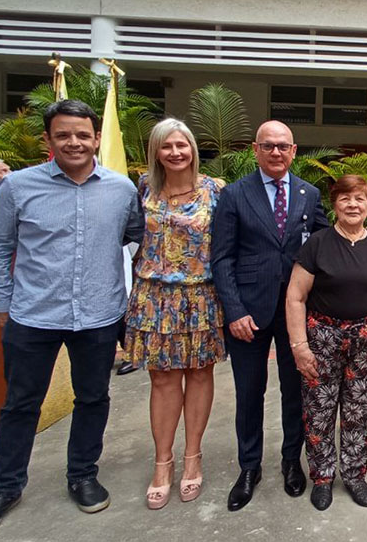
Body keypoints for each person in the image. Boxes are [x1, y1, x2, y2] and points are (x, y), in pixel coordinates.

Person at [0, 99, 144, 540]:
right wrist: (2, 303)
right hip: (33, 315)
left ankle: (82, 475)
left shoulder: (121, 189)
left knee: (93, 399)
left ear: (96, 138)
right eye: (63, 135)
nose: (74, 142)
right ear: (48, 140)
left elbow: (137, 239)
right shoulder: (18, 188)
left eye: (83, 134)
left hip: (100, 315)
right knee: (21, 405)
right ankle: (4, 487)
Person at [211, 120, 329, 512]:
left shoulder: (308, 194)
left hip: (296, 313)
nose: (276, 152)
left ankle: (291, 462)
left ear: (294, 151)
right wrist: (234, 310)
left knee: (295, 392)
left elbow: (327, 240)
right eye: (268, 146)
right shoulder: (234, 194)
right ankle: (249, 468)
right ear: (255, 150)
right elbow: (222, 257)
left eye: (283, 146)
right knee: (249, 393)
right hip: (248, 313)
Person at [121, 119, 226, 510]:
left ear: (193, 149)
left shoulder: (215, 190)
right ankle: (162, 462)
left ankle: (192, 457)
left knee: (200, 375)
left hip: (201, 297)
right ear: (156, 152)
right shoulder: (143, 189)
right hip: (155, 298)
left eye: (182, 145)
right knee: (163, 381)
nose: (176, 152)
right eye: (167, 146)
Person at [286, 175, 367, 511]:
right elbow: (295, 296)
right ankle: (322, 477)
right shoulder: (317, 245)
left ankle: (353, 474)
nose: (353, 205)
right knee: (319, 410)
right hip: (322, 338)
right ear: (334, 204)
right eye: (345, 198)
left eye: (360, 199)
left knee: (359, 411)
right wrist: (299, 346)